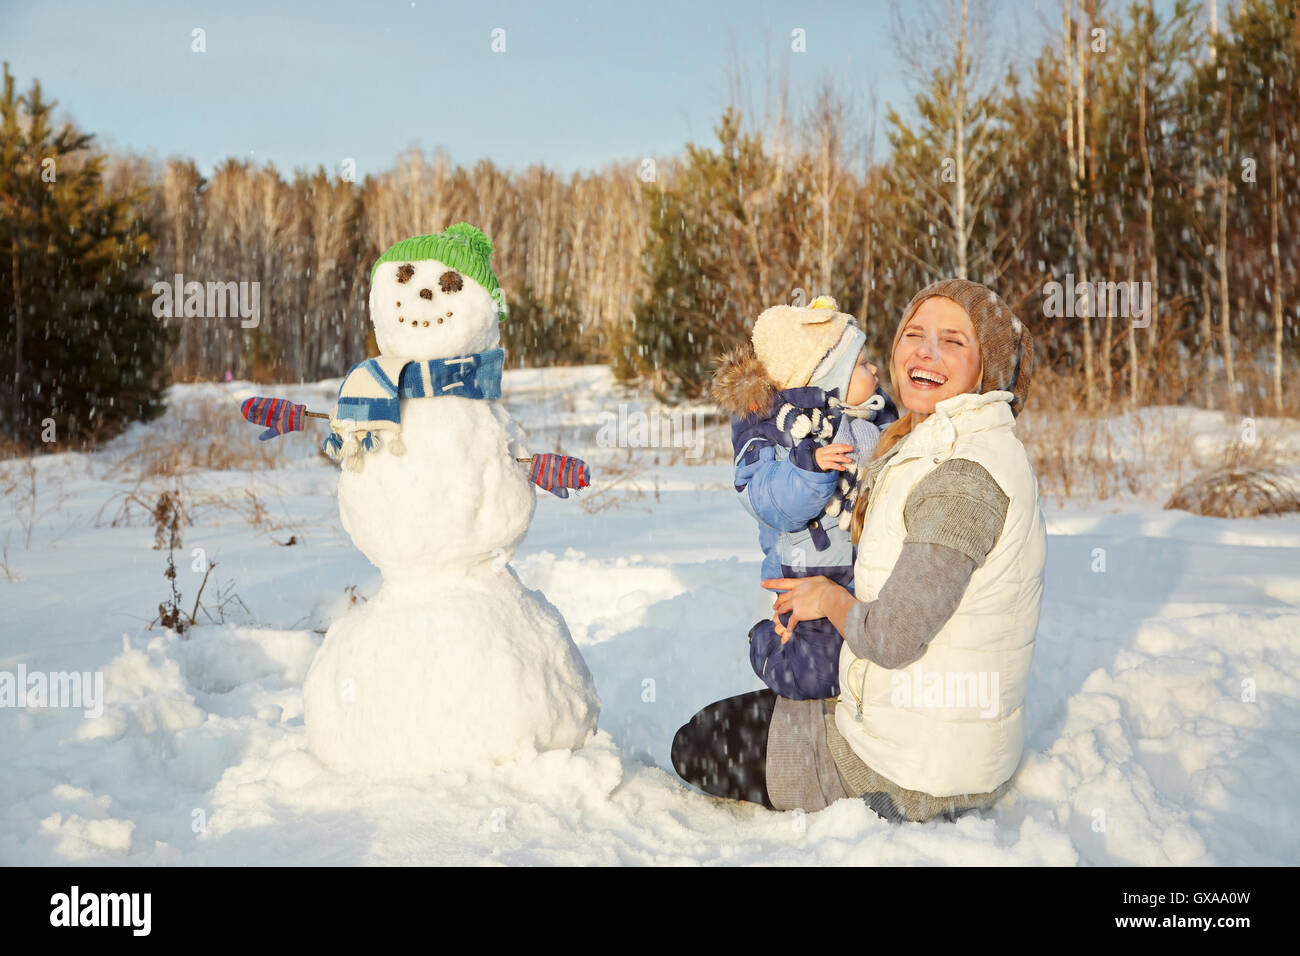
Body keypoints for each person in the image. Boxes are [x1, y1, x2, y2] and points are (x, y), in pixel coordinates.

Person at [672, 278, 1046, 822]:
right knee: (738, 715)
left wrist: (825, 598)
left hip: (909, 769)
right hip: (913, 730)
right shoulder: (934, 442)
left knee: (698, 742)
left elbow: (892, 635)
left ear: (988, 366)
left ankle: (880, 797)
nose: (926, 350)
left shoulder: (964, 474)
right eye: (914, 333)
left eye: (953, 341)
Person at [709, 295, 897, 701]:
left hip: (864, 562)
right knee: (816, 674)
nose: (875, 369)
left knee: (869, 656)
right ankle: (765, 647)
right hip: (809, 568)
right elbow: (770, 500)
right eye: (862, 364)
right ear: (826, 381)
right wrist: (810, 467)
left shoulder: (878, 418)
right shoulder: (771, 430)